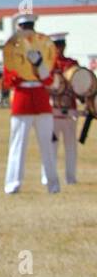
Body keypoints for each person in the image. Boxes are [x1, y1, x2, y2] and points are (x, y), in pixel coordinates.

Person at [2, 15, 59, 194]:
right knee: (18, 145)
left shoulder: (44, 49)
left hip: (41, 100)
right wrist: (24, 67)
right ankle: (13, 184)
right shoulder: (12, 52)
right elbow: (9, 80)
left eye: (30, 27)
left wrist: (39, 64)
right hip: (23, 99)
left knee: (47, 146)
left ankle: (52, 184)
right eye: (25, 27)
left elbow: (49, 80)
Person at [46, 33, 79, 188]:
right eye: (57, 45)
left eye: (61, 45)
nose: (60, 48)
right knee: (51, 145)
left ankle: (71, 177)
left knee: (70, 145)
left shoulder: (72, 64)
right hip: (52, 109)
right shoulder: (47, 65)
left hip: (69, 109)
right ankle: (47, 176)